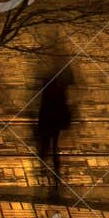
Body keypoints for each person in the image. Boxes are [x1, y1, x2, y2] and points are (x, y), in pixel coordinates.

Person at [33, 58, 76, 193]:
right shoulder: (61, 85)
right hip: (56, 118)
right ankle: (56, 171)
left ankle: (45, 164)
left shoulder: (48, 82)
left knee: (47, 142)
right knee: (55, 146)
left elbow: (42, 101)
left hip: (47, 117)